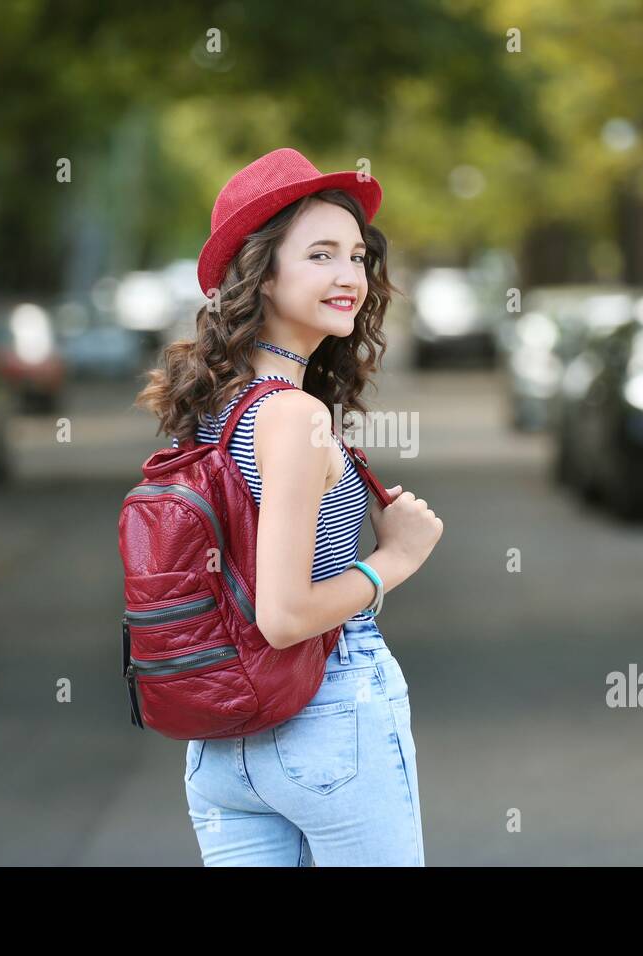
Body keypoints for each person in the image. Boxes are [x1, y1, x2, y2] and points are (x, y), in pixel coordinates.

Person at [135, 147, 443, 865]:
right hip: (328, 715)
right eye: (321, 254)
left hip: (222, 747)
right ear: (262, 274)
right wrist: (395, 558)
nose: (350, 276)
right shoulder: (292, 417)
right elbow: (282, 616)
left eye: (359, 256)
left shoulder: (212, 407)